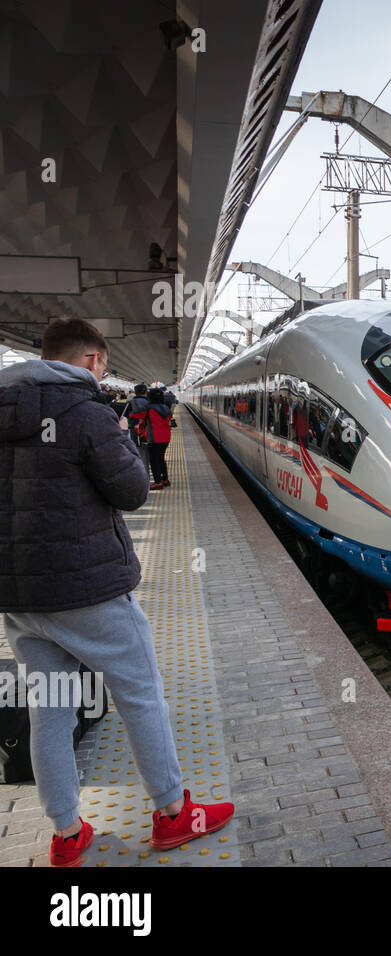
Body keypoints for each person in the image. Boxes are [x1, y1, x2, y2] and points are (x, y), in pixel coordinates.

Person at [0, 317, 233, 867]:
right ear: (92, 361)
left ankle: (65, 833)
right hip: (89, 589)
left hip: (18, 596)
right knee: (141, 696)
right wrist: (124, 443)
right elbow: (132, 491)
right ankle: (174, 814)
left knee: (49, 710)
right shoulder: (87, 413)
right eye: (102, 363)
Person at [141, 388, 172, 489]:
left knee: (154, 460)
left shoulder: (148, 408)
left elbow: (142, 420)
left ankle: (158, 482)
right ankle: (165, 479)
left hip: (154, 437)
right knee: (161, 458)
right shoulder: (166, 408)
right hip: (166, 437)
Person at [124, 384, 149, 450]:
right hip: (146, 427)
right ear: (146, 392)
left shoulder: (130, 402)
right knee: (145, 444)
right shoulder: (149, 402)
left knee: (134, 444)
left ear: (135, 392)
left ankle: (137, 457)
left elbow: (126, 415)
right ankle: (146, 458)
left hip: (133, 426)